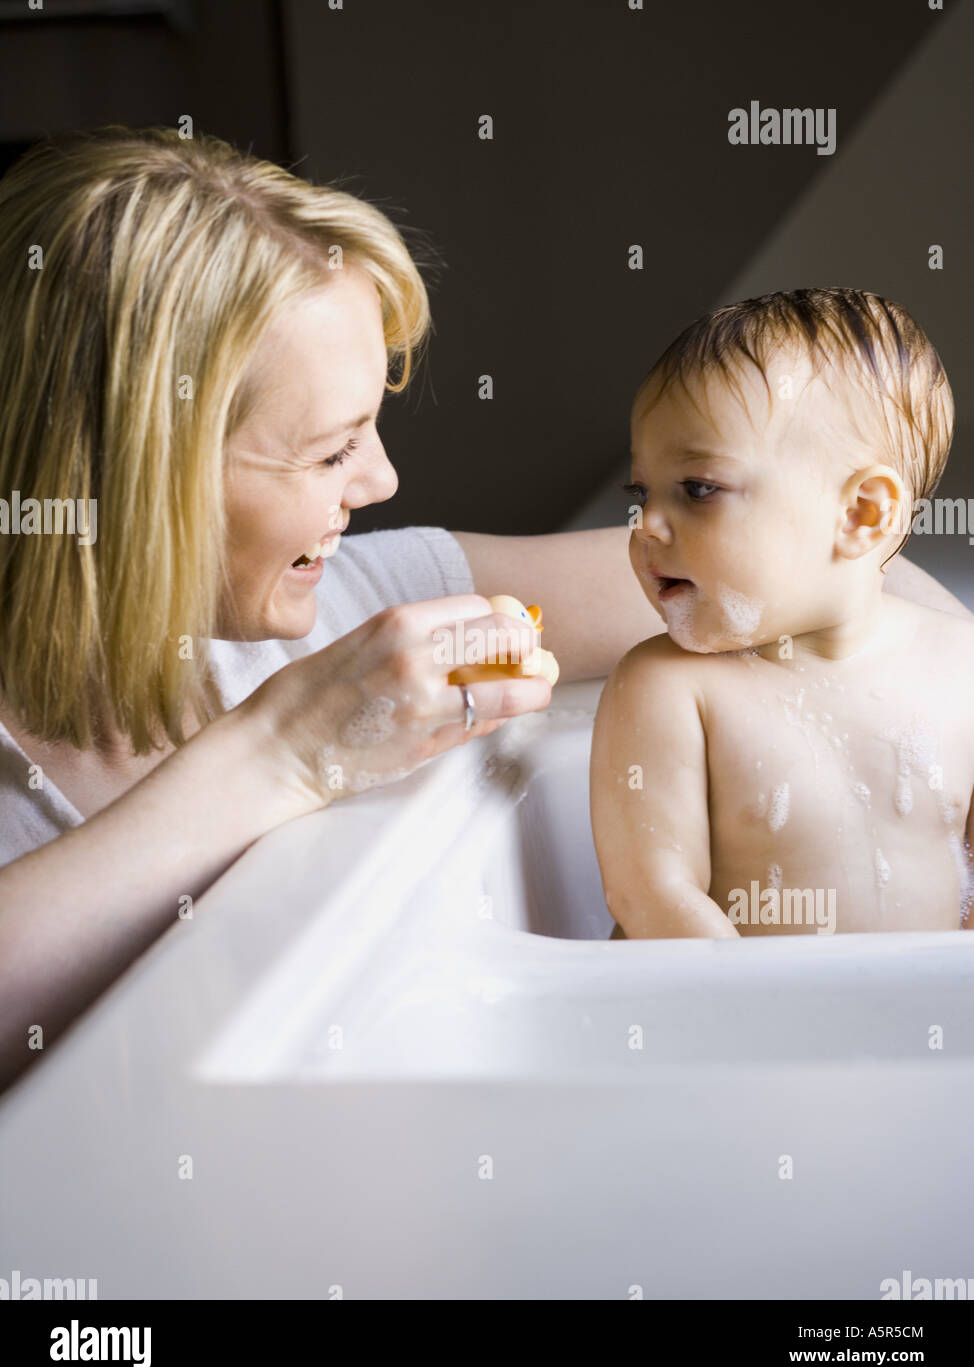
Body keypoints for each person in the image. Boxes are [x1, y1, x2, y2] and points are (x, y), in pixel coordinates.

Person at [0, 135, 965, 1092]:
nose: (381, 480)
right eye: (330, 452)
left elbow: (868, 584)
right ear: (134, 479)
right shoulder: (337, 645)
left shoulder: (365, 599)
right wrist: (282, 749)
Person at [591, 288, 974, 938]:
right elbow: (652, 899)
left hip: (920, 1029)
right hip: (743, 1026)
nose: (647, 524)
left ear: (861, 515)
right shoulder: (666, 686)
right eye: (641, 492)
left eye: (699, 489)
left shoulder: (960, 666)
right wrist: (762, 1019)